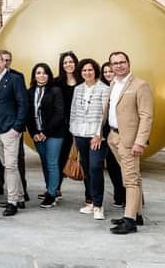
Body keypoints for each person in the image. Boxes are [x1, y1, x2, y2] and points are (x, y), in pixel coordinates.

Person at [104, 51, 153, 235]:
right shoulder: (113, 84)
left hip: (130, 141)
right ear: (111, 66)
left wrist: (140, 142)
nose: (119, 65)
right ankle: (137, 213)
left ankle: (129, 220)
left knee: (130, 179)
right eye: (115, 63)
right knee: (133, 176)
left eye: (122, 62)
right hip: (114, 137)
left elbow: (146, 116)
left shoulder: (140, 85)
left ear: (129, 63)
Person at [0, 51, 27, 216]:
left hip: (10, 129)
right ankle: (19, 197)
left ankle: (12, 202)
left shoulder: (14, 79)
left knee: (10, 166)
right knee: (9, 166)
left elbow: (23, 104)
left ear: (4, 62)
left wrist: (17, 128)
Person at [71, 58, 111, 220]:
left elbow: (105, 114)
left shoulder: (104, 89)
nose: (87, 73)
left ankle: (99, 206)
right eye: (84, 70)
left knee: (95, 167)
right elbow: (73, 111)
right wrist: (73, 133)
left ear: (95, 71)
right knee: (86, 169)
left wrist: (99, 134)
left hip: (96, 136)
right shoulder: (78, 89)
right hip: (80, 134)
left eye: (90, 70)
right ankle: (90, 202)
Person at [27, 63, 65, 208]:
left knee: (52, 163)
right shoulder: (30, 92)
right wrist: (34, 133)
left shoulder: (55, 91)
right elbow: (28, 115)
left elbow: (59, 113)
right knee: (44, 162)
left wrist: (45, 132)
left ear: (49, 75)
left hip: (54, 133)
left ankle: (52, 193)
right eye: (38, 73)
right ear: (34, 76)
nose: (41, 76)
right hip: (37, 134)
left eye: (44, 73)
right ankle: (51, 189)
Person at [101, 60, 126, 208]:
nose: (108, 74)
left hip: (123, 134)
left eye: (110, 71)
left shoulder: (121, 87)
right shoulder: (105, 89)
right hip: (108, 135)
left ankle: (134, 198)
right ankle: (119, 195)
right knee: (112, 166)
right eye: (105, 72)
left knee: (126, 168)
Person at [56, 50, 80, 193]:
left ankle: (90, 197)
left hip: (81, 126)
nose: (68, 64)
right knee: (60, 158)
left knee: (84, 160)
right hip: (63, 127)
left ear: (76, 63)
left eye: (71, 61)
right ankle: (55, 188)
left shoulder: (83, 81)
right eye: (65, 62)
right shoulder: (57, 82)